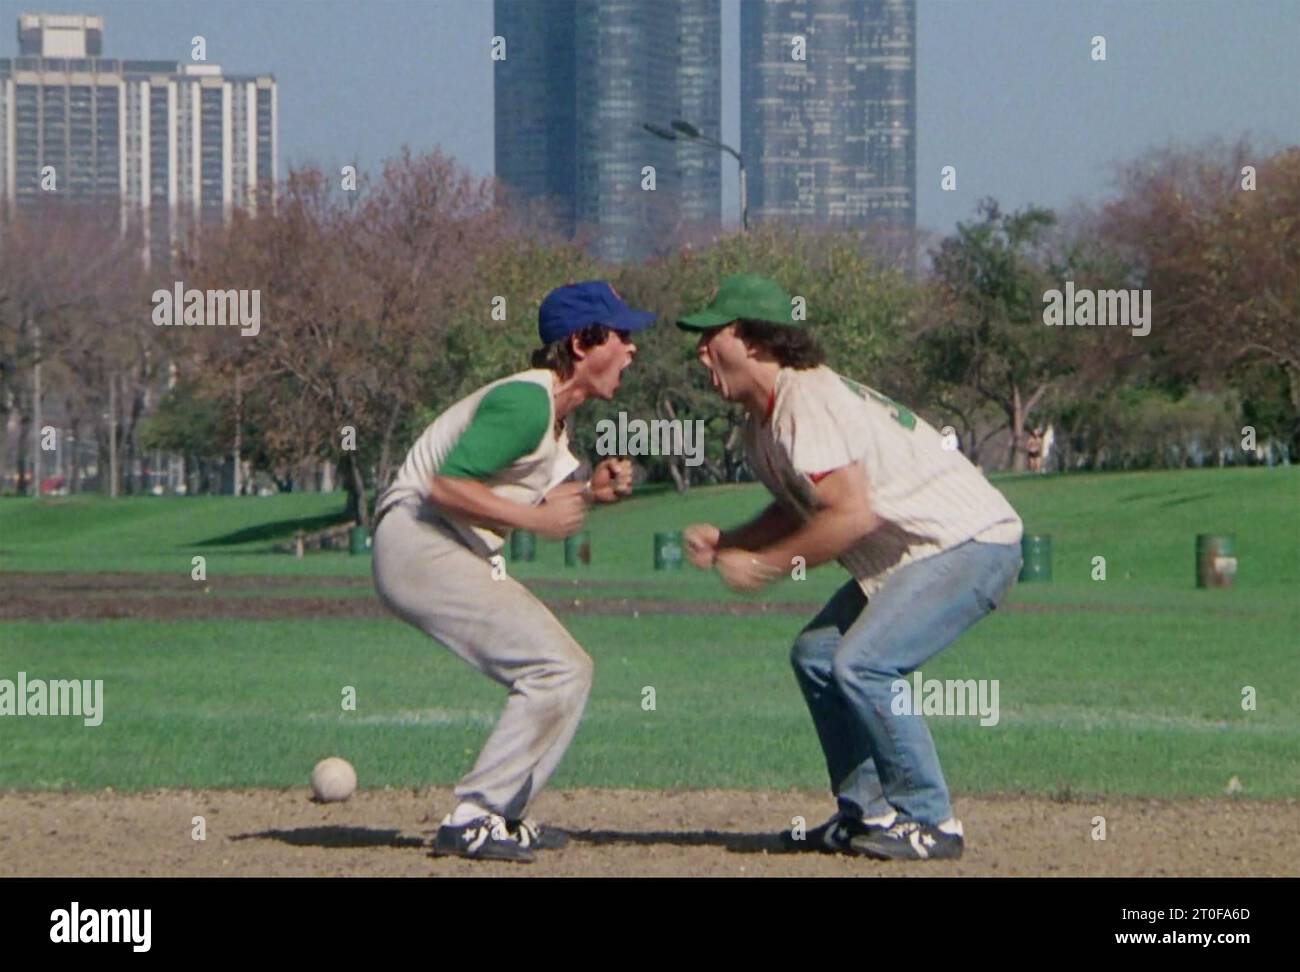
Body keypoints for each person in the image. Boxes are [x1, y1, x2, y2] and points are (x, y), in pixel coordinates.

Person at [677, 274, 1023, 861]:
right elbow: (801, 505)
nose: (700, 349)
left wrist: (765, 566)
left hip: (968, 544)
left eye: (713, 334)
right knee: (817, 657)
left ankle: (931, 820)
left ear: (752, 340)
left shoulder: (804, 399)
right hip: (921, 554)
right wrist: (732, 540)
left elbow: (850, 516)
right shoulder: (766, 421)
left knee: (864, 662)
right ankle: (867, 813)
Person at [372, 281, 653, 863]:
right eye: (622, 336)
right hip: (417, 540)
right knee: (555, 668)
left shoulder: (552, 418)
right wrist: (533, 518)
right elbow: (446, 485)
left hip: (441, 545)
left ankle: (500, 815)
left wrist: (593, 493)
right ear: (581, 342)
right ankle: (474, 816)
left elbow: (553, 493)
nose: (632, 349)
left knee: (568, 669)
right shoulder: (528, 403)